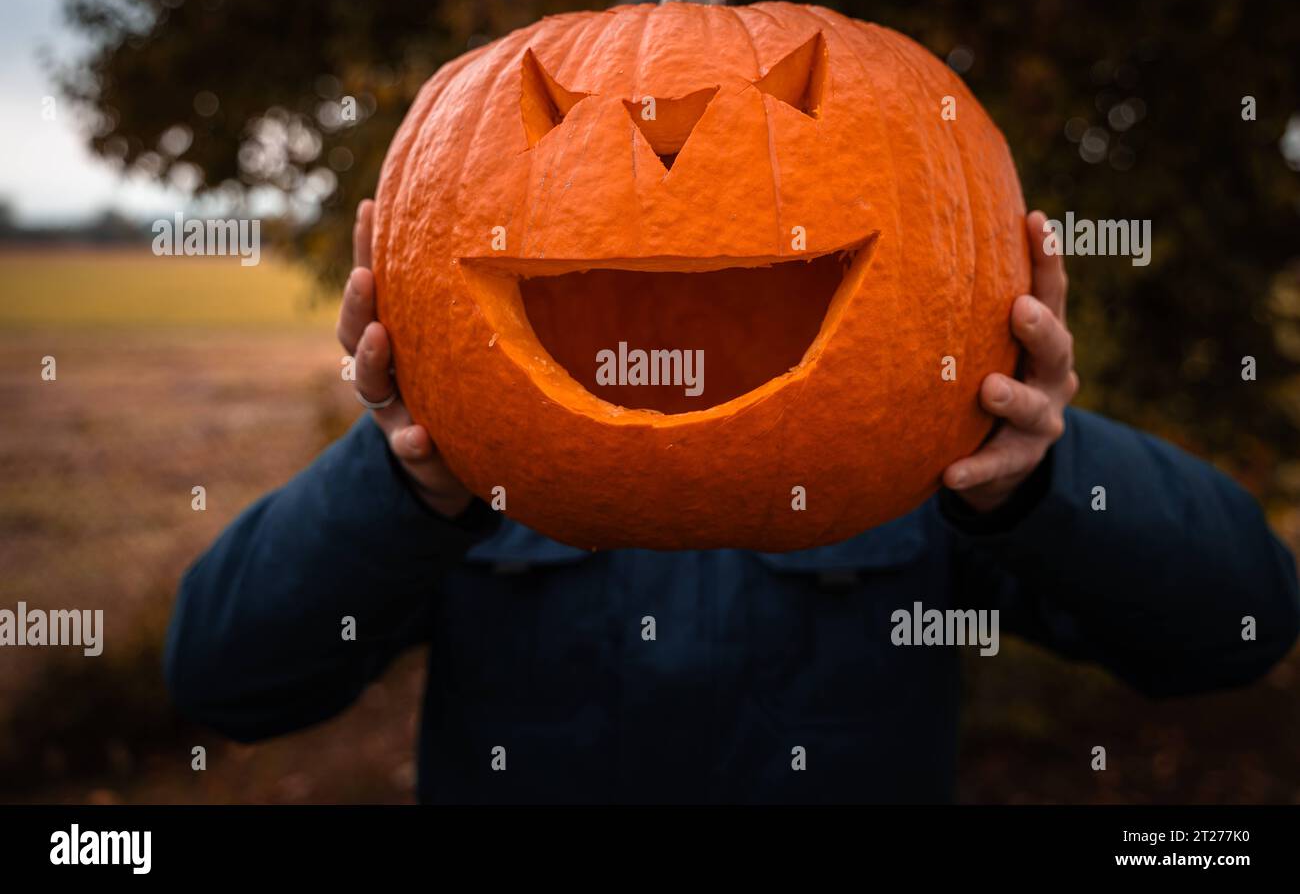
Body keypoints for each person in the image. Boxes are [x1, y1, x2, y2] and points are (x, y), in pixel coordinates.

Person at [164, 202, 1300, 803]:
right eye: (571, 129)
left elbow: (1236, 623)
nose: (672, 208)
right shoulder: (472, 458)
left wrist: (1042, 473)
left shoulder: (924, 453)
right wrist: (403, 485)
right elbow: (225, 675)